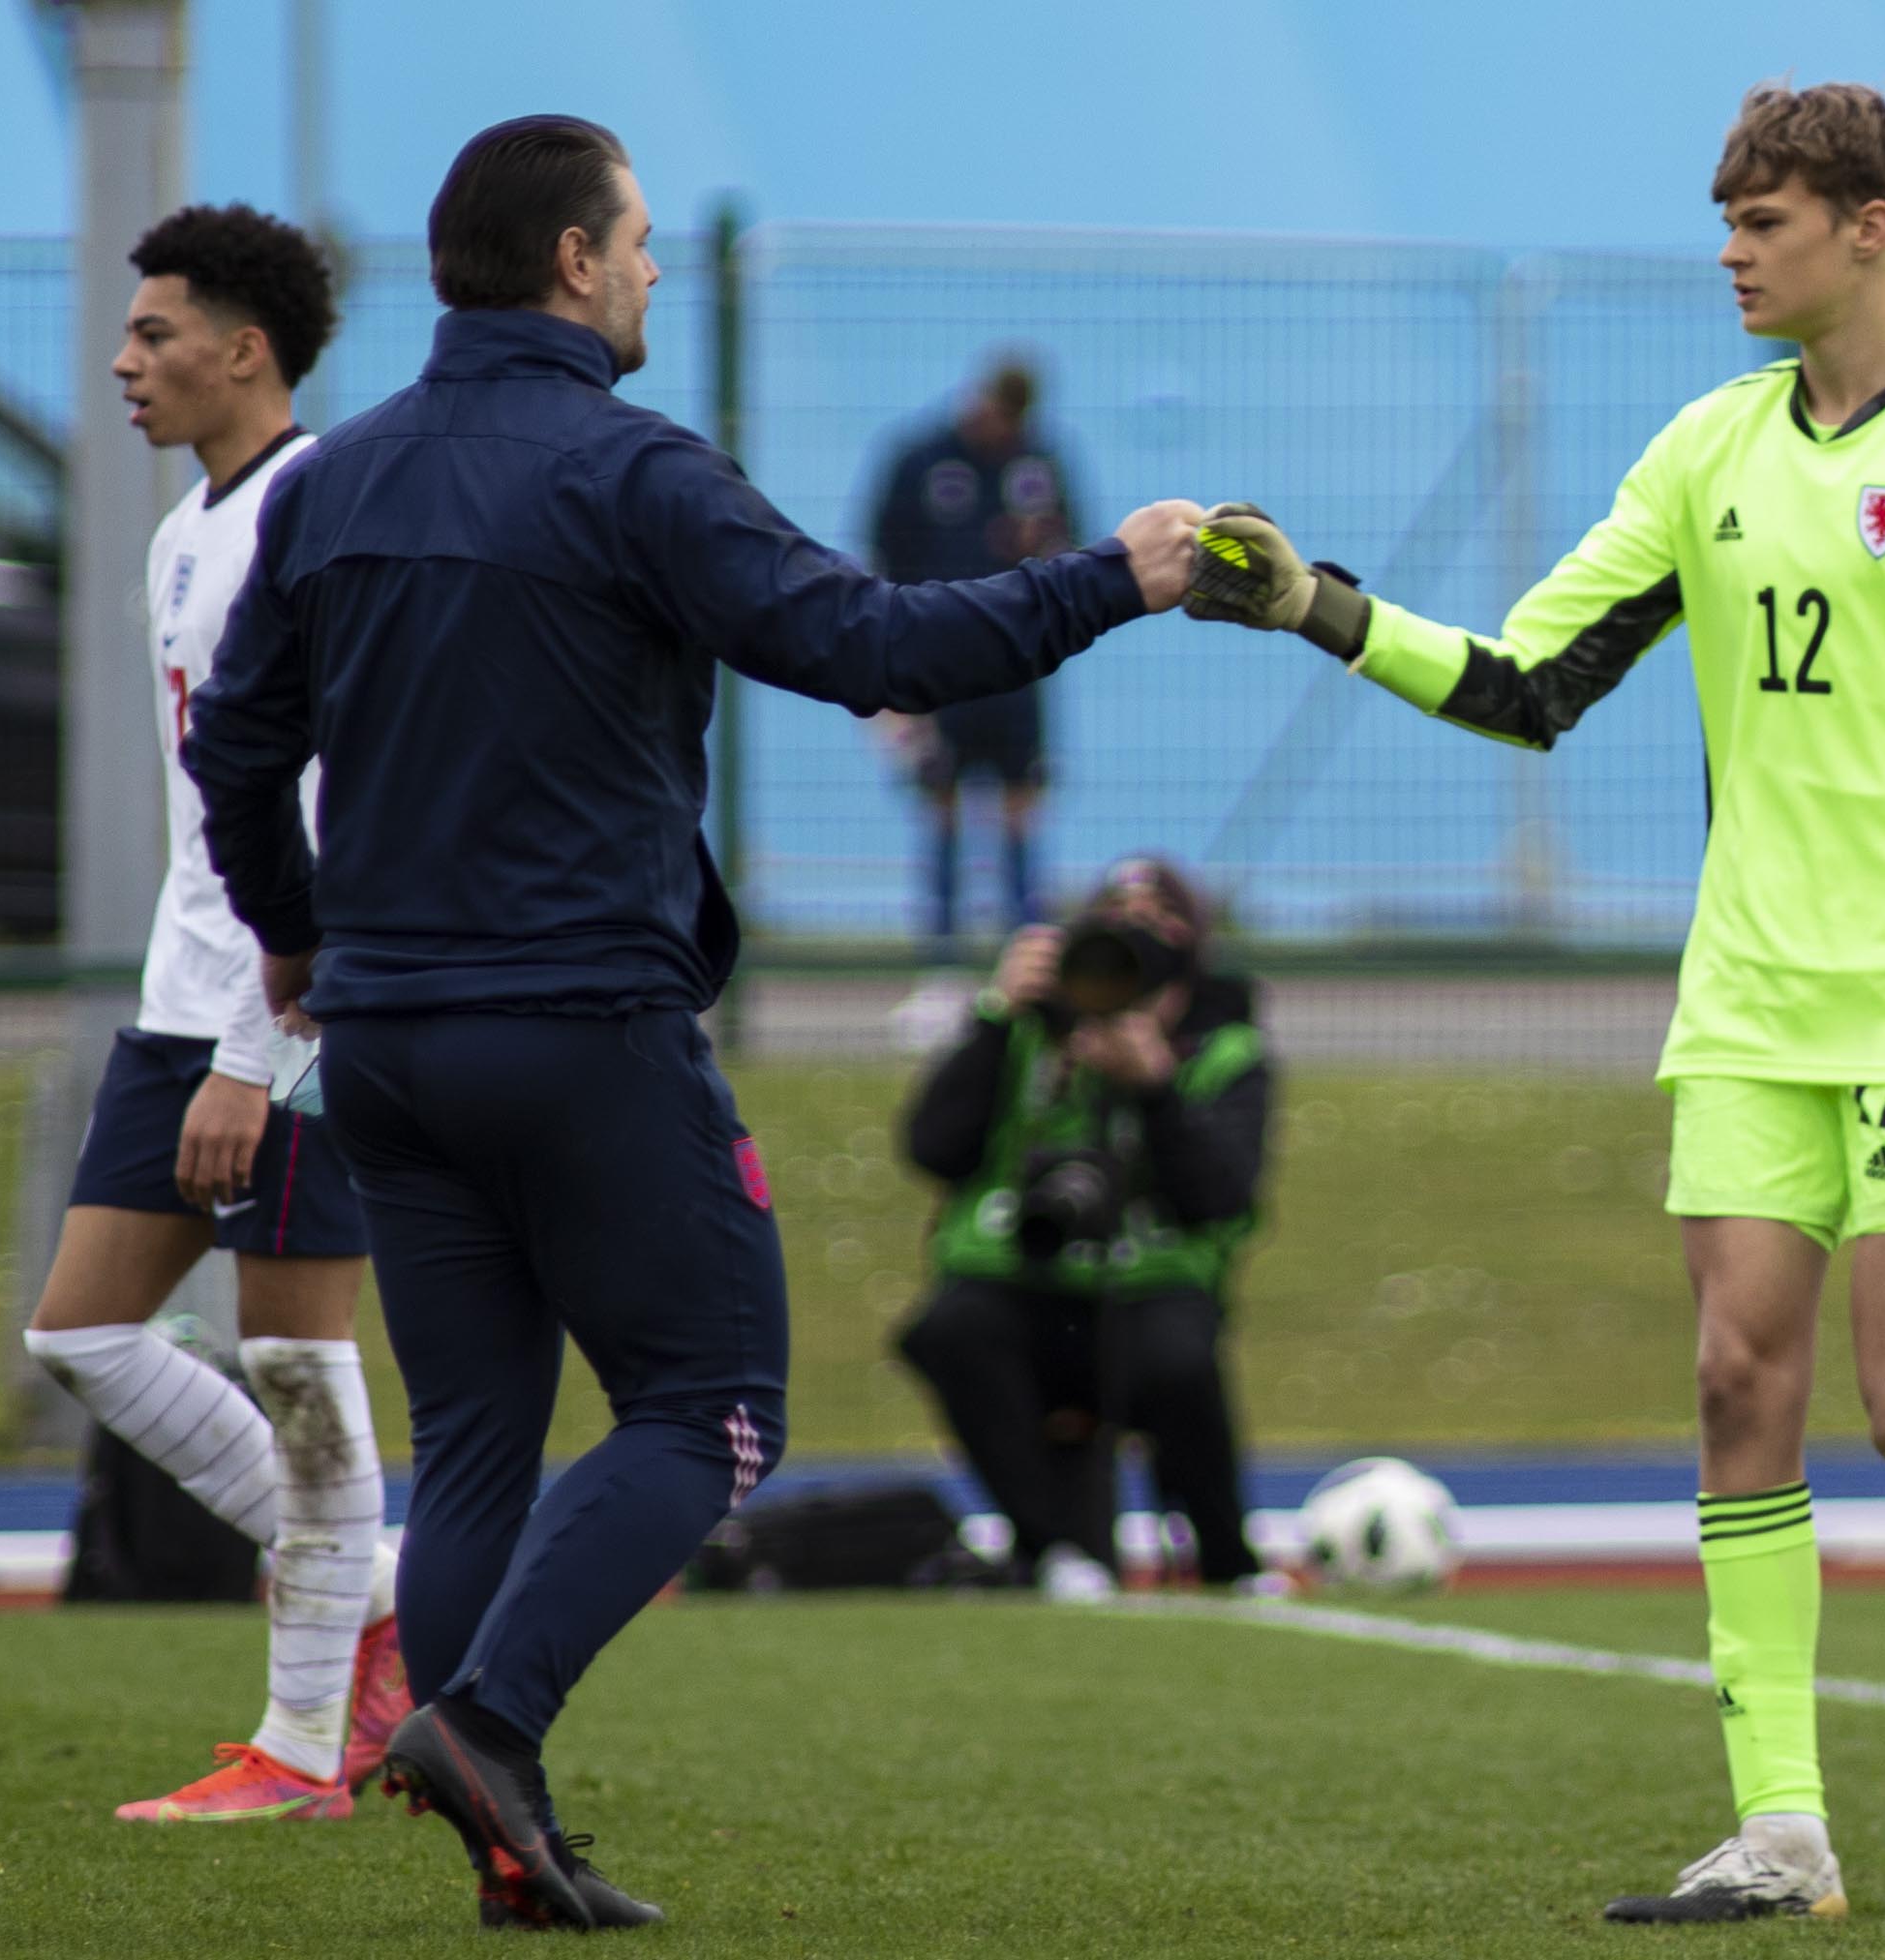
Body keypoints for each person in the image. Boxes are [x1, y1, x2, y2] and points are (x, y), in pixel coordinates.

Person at [1183, 81, 1885, 1922]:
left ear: (1869, 229)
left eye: (1763, 221)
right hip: (1750, 1004)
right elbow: (1528, 679)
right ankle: (1785, 1835)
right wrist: (1315, 611)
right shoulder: (1707, 451)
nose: (1732, 252)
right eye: (1729, 221)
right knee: (1735, 1377)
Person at [184, 114, 1201, 1931]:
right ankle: (486, 1720)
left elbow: (235, 744)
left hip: (391, 1048)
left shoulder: (331, 485)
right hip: (580, 1025)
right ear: (574, 262)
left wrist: (292, 934)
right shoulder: (634, 472)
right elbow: (873, 646)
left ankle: (508, 1830)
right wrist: (1110, 578)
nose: (653, 264)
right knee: (714, 1409)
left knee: (483, 1438)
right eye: (636, 238)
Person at [20, 202, 409, 1825]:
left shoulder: (313, 518)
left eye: (156, 333)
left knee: (299, 1369)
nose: (124, 362)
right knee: (83, 1333)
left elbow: (327, 804)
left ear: (245, 350)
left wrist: (264, 1047)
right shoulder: (187, 531)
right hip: (183, 1001)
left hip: (288, 1017)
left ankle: (306, 1747)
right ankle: (374, 1596)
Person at [893, 856, 1272, 1600]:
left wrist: (1155, 1086)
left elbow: (1220, 1197)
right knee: (948, 1329)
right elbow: (934, 1148)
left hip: (1152, 1287)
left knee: (1179, 1361)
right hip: (1020, 1277)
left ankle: (1227, 1557)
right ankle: (1054, 1548)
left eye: (1156, 936)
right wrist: (998, 1015)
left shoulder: (1226, 1050)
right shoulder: (1024, 1030)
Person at [866, 358, 1080, 972]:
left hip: (1017, 673)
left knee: (1020, 814)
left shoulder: (1039, 462)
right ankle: (942, 967)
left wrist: (1040, 544)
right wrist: (891, 682)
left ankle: (1031, 965)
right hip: (936, 669)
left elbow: (1075, 553)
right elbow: (881, 559)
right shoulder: (921, 459)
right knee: (941, 812)